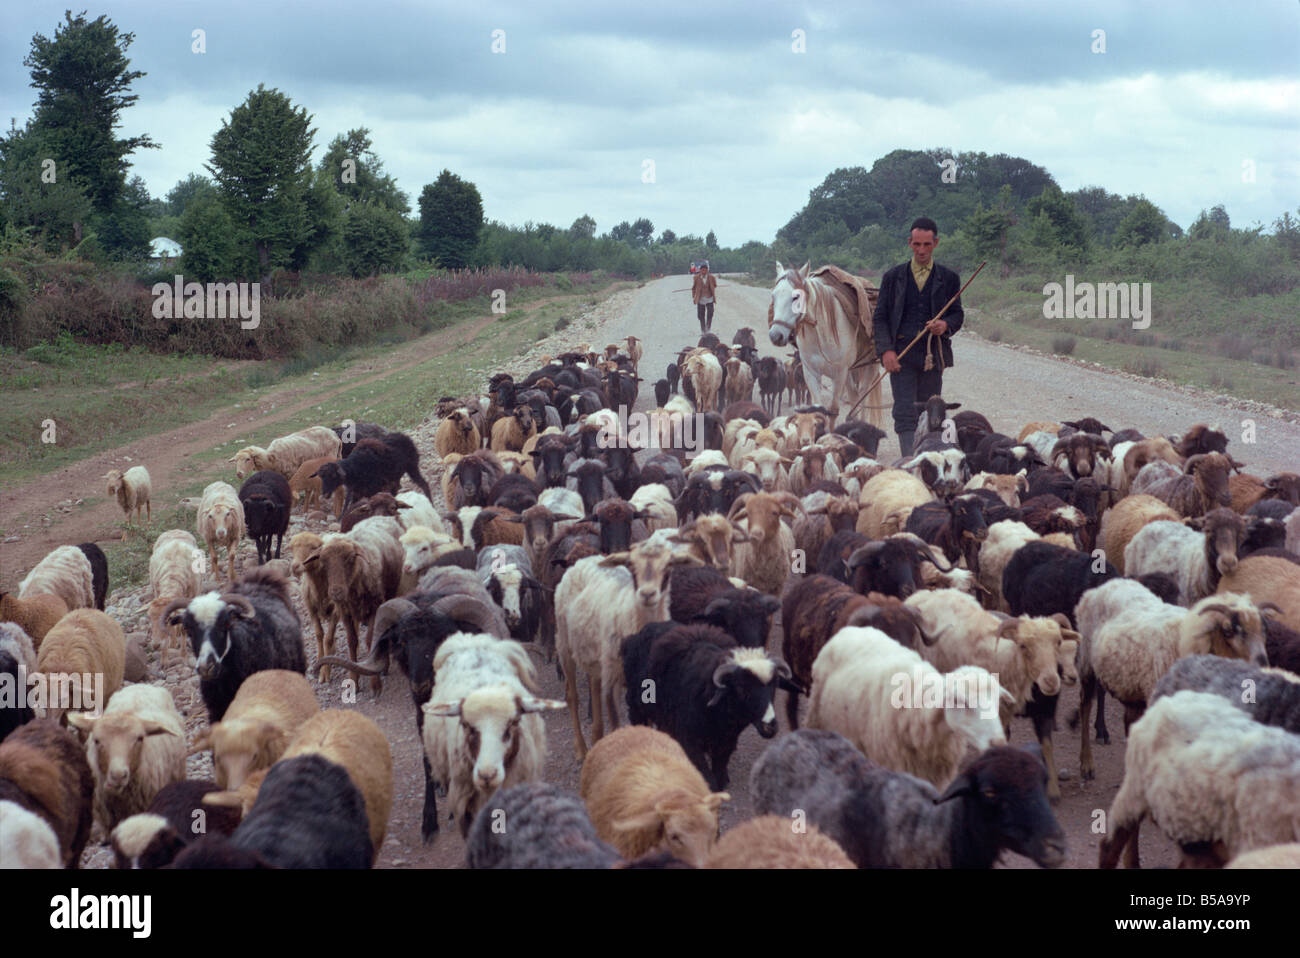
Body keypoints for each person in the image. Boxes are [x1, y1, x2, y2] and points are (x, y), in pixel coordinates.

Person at [870, 217, 964, 458]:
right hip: (900, 354)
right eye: (917, 244)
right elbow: (880, 318)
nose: (922, 250)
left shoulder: (949, 278)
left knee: (930, 410)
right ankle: (908, 460)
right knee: (904, 410)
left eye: (927, 244)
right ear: (909, 243)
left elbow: (957, 314)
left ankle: (928, 459)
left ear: (936, 243)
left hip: (933, 356)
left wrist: (945, 325)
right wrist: (886, 351)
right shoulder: (893, 277)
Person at [692, 261, 717, 332]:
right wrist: (694, 296)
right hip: (700, 299)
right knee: (700, 315)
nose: (704, 271)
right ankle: (703, 330)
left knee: (710, 313)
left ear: (707, 270)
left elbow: (715, 285)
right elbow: (693, 288)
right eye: (702, 269)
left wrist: (710, 288)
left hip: (709, 298)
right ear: (700, 270)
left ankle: (708, 328)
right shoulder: (696, 278)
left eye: (705, 269)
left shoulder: (711, 277)